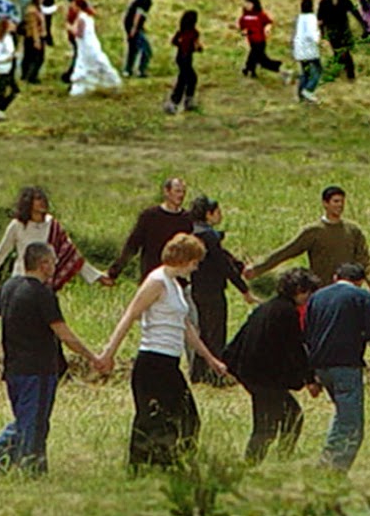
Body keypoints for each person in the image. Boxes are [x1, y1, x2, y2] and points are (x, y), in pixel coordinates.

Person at [0, 241, 112, 474]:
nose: (55, 265)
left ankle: (33, 469)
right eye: (53, 261)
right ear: (44, 265)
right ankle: (3, 467)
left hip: (13, 370)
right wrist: (93, 357)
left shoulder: (9, 287)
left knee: (31, 422)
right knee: (30, 424)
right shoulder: (43, 294)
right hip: (39, 371)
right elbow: (64, 333)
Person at [98, 232, 225, 467]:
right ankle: (148, 468)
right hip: (153, 360)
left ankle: (174, 463)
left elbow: (184, 326)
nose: (196, 268)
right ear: (184, 259)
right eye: (195, 262)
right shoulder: (156, 281)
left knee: (187, 418)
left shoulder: (175, 285)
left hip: (169, 361)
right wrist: (109, 352)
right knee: (153, 420)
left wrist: (210, 358)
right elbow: (131, 315)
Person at [305, 263, 370, 471]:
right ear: (360, 282)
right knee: (351, 427)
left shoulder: (317, 297)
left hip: (320, 367)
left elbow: (306, 336)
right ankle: (331, 472)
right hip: (346, 367)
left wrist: (309, 375)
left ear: (336, 277)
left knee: (341, 417)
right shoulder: (362, 298)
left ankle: (326, 467)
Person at [223, 267, 320, 462]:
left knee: (283, 417)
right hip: (264, 377)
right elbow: (295, 349)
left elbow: (239, 338)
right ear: (299, 290)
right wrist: (309, 379)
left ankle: (271, 459)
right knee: (275, 422)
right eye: (309, 293)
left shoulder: (268, 307)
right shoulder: (286, 312)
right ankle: (262, 462)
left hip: (251, 373)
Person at [244, 186, 370, 289]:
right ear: (325, 203)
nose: (340, 205)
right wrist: (257, 268)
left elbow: (364, 259)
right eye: (335, 201)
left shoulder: (353, 230)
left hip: (349, 290)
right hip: (321, 290)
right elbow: (286, 251)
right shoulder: (314, 231)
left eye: (342, 202)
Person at [0, 186, 104, 292]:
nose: (42, 202)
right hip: (21, 280)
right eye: (38, 199)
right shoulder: (17, 225)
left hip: (44, 282)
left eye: (43, 198)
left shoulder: (52, 225)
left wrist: (98, 277)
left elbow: (73, 255)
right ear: (28, 202)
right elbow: (1, 253)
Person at [187, 197, 253, 383]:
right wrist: (243, 289)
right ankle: (215, 374)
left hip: (197, 289)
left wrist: (239, 265)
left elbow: (223, 255)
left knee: (202, 331)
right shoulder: (209, 236)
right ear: (209, 214)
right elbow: (223, 264)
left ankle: (198, 373)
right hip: (212, 290)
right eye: (217, 212)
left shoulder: (194, 232)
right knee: (215, 333)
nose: (220, 215)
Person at [106, 178, 193, 284]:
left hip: (178, 281)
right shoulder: (150, 216)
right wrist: (114, 272)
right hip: (152, 278)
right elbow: (132, 245)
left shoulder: (187, 219)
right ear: (166, 191)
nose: (181, 195)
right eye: (177, 191)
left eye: (184, 191)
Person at [67, 0, 122, 96]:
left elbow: (79, 33)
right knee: (95, 62)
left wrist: (69, 28)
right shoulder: (88, 17)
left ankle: (83, 87)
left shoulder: (81, 18)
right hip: (91, 45)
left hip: (86, 46)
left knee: (85, 64)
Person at [316, 0, 363, 82]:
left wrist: (322, 33)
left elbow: (320, 20)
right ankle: (346, 73)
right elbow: (354, 11)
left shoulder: (327, 2)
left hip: (337, 29)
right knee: (341, 51)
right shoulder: (339, 0)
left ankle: (346, 73)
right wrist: (363, 23)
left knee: (340, 51)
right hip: (339, 29)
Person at [165, 10, 203, 115]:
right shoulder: (194, 33)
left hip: (180, 57)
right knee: (187, 80)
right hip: (187, 58)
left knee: (187, 78)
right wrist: (198, 48)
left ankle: (177, 102)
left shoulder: (181, 31)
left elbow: (174, 42)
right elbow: (197, 46)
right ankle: (180, 101)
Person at [236, 0, 281, 78]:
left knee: (255, 55)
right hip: (252, 40)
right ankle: (251, 70)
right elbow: (242, 27)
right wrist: (243, 32)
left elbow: (268, 22)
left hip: (260, 40)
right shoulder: (244, 16)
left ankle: (249, 69)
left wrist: (267, 28)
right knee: (258, 57)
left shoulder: (260, 15)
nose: (247, 6)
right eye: (246, 4)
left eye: (249, 4)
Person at [123, 0, 158, 79]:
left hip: (130, 24)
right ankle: (141, 71)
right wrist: (135, 28)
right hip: (133, 26)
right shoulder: (146, 0)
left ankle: (127, 70)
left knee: (133, 48)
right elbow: (138, 14)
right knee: (146, 50)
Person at [292, 0, 323, 102]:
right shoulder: (311, 18)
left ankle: (300, 94)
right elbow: (311, 34)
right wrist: (318, 39)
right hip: (309, 50)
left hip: (299, 49)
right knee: (318, 70)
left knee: (305, 72)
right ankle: (308, 90)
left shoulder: (300, 17)